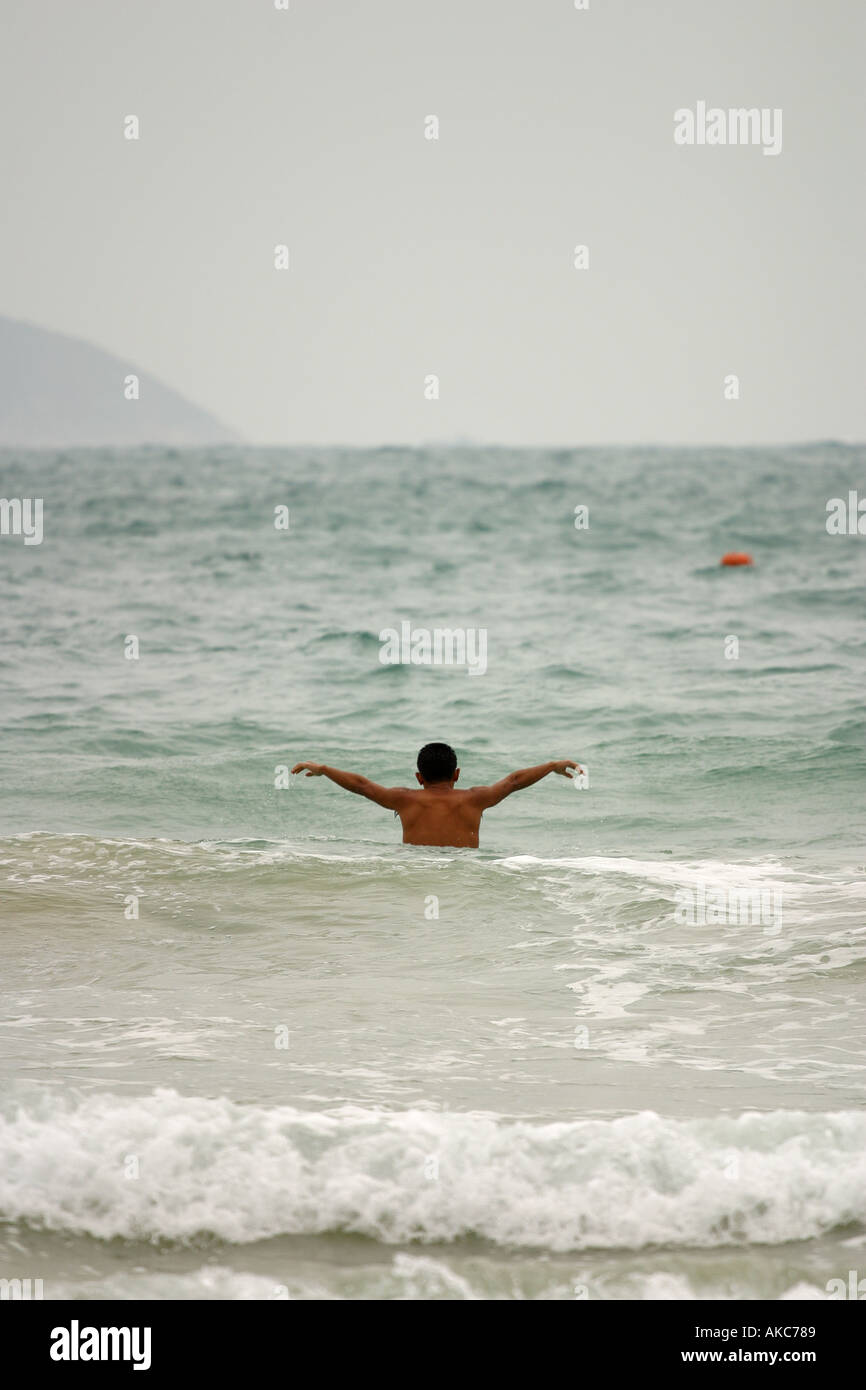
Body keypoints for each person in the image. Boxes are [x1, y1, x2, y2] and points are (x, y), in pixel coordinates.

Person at [291, 742, 583, 848]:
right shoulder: (475, 798)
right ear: (456, 774)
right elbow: (515, 780)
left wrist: (325, 769)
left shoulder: (404, 799)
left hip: (416, 873)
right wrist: (550, 766)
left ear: (419, 778)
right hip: (462, 874)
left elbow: (361, 785)